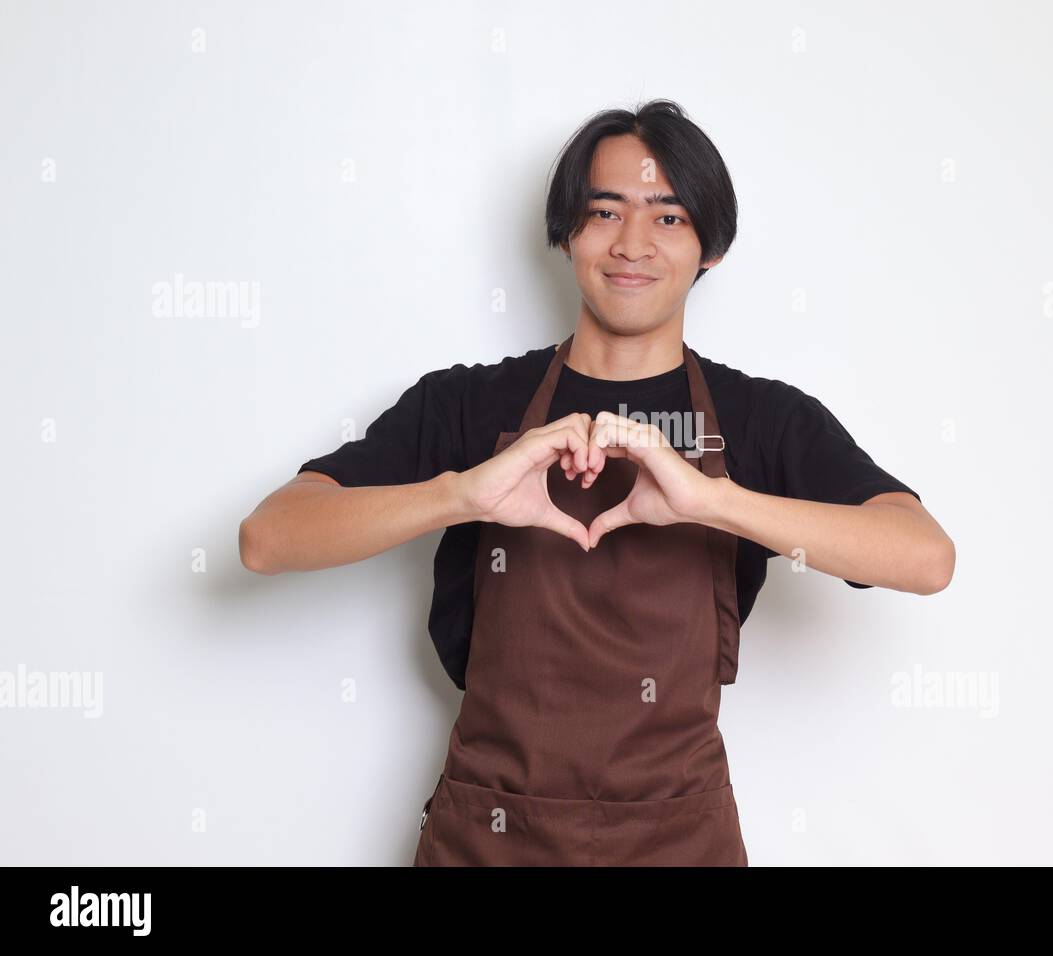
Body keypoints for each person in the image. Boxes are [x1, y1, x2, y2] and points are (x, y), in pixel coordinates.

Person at [238, 99, 955, 866]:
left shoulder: (760, 419)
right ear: (567, 233)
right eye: (604, 211)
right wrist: (463, 493)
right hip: (492, 837)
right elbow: (268, 538)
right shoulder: (469, 404)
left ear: (711, 246)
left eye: (669, 217)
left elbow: (923, 558)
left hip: (680, 842)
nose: (632, 244)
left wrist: (713, 500)